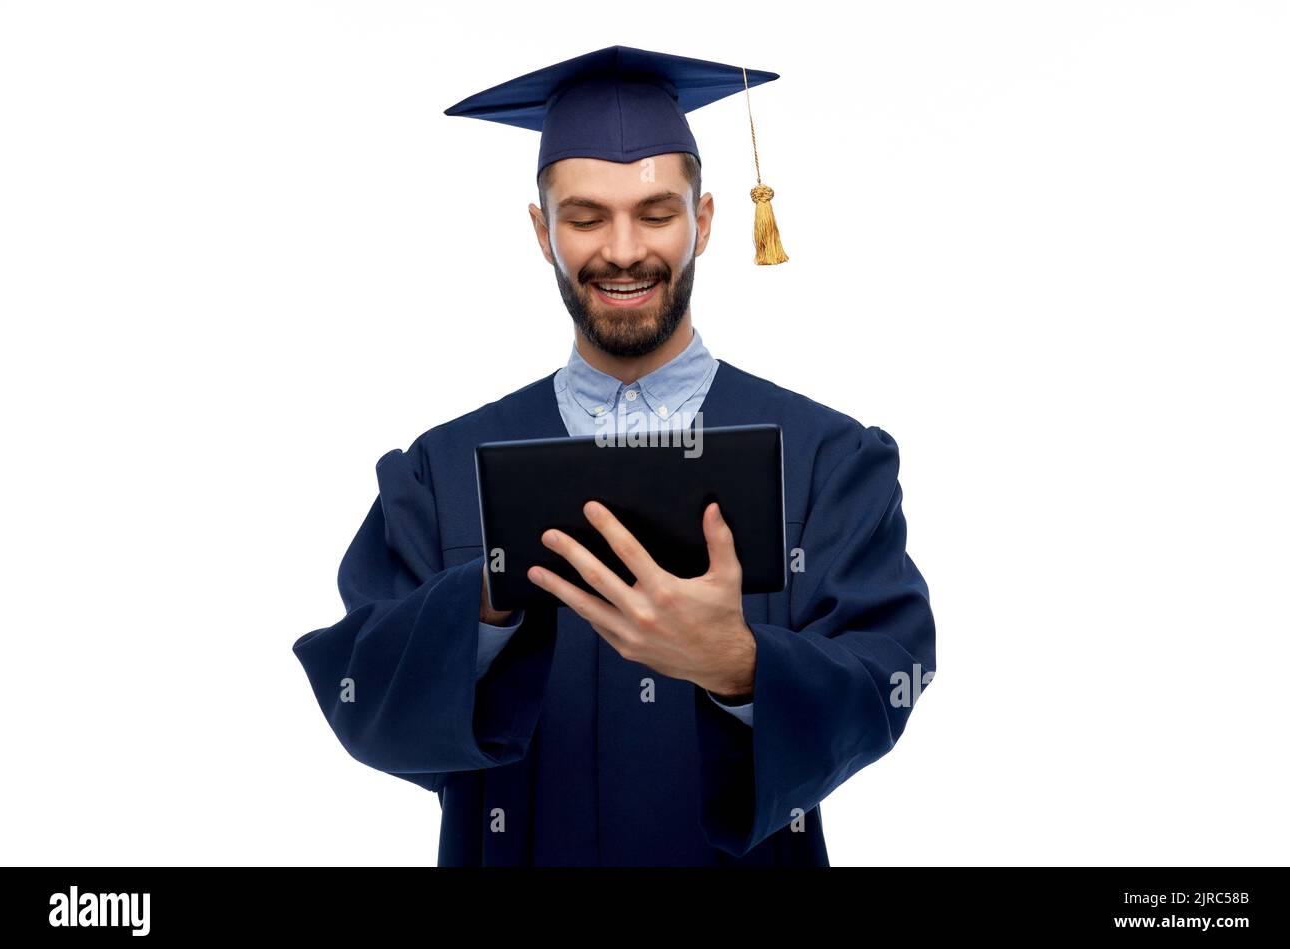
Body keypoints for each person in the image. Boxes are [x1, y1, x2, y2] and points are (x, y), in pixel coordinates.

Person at [292, 45, 937, 866]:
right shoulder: (443, 471)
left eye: (657, 213)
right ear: (542, 231)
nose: (623, 250)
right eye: (586, 217)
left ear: (703, 221)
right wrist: (479, 615)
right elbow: (361, 700)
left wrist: (739, 665)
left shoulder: (828, 458)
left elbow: (889, 679)